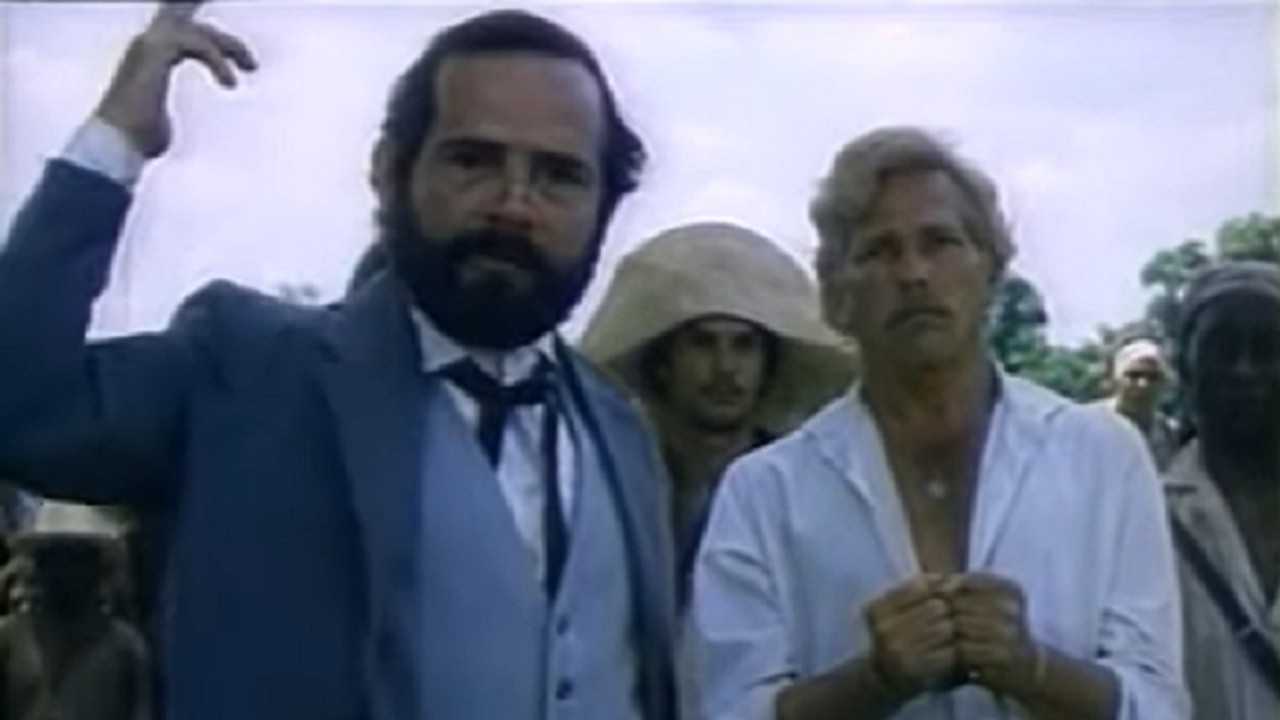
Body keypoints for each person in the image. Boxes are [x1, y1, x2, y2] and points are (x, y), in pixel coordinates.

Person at [0, 5, 676, 720]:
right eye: (472, 161)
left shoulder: (620, 432)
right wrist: (113, 146)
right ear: (389, 172)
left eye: (559, 176)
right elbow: (23, 407)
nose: (514, 204)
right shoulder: (247, 369)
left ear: (605, 204)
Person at [689, 127, 1187, 720]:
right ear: (837, 294)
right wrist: (874, 680)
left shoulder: (1102, 457)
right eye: (880, 251)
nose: (914, 274)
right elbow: (725, 710)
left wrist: (1031, 668)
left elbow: (1159, 704)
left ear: (991, 270)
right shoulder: (764, 492)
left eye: (940, 242)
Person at [580, 221, 855, 606]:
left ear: (768, 363)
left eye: (744, 346)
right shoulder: (611, 482)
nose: (725, 367)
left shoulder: (803, 488)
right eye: (702, 344)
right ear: (664, 362)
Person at [1163, 261, 1280, 720]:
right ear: (1185, 368)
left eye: (1268, 349)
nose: (1244, 370)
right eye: (1222, 348)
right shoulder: (1144, 519)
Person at [0, 501, 150, 720]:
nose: (63, 571)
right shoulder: (9, 639)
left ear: (97, 567)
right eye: (53, 558)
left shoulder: (125, 648)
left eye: (76, 559)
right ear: (39, 565)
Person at [1097, 338, 1178, 469]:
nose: (1143, 384)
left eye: (1153, 377)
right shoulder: (1088, 425)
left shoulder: (1168, 433)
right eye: (1134, 375)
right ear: (1114, 379)